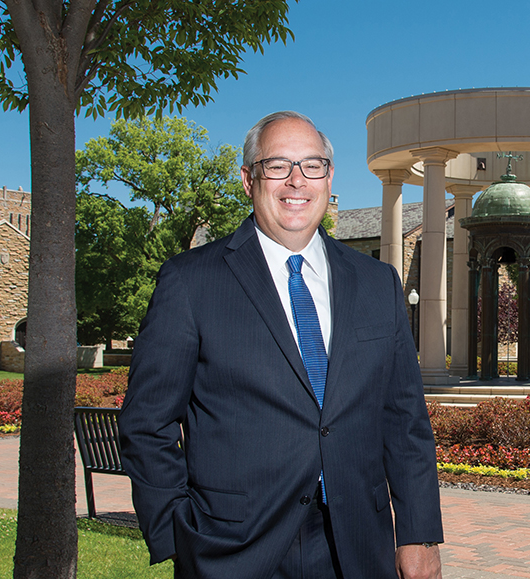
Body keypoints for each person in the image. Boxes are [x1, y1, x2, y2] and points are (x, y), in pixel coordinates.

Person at [119, 111, 444, 579]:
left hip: (358, 547)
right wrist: (178, 533)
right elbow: (147, 423)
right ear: (248, 179)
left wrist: (419, 533)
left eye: (312, 165)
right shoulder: (190, 282)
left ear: (329, 178)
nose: (297, 181)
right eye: (277, 166)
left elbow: (405, 420)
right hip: (234, 551)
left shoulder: (377, 283)